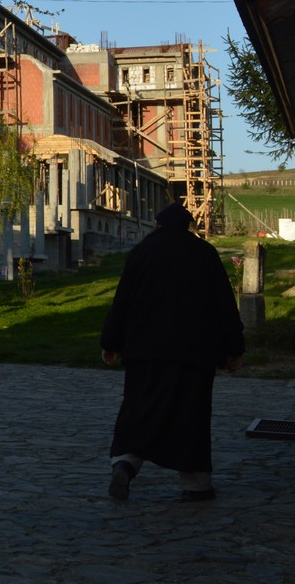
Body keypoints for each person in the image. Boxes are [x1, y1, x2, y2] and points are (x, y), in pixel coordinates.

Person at [100, 201, 245, 502]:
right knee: (190, 416)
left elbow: (122, 302)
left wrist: (110, 343)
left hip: (145, 351)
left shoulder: (141, 253)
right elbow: (224, 304)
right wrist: (234, 348)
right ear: (188, 226)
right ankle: (196, 485)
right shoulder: (204, 253)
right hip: (194, 353)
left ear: (158, 224)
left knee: (140, 409)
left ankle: (126, 463)